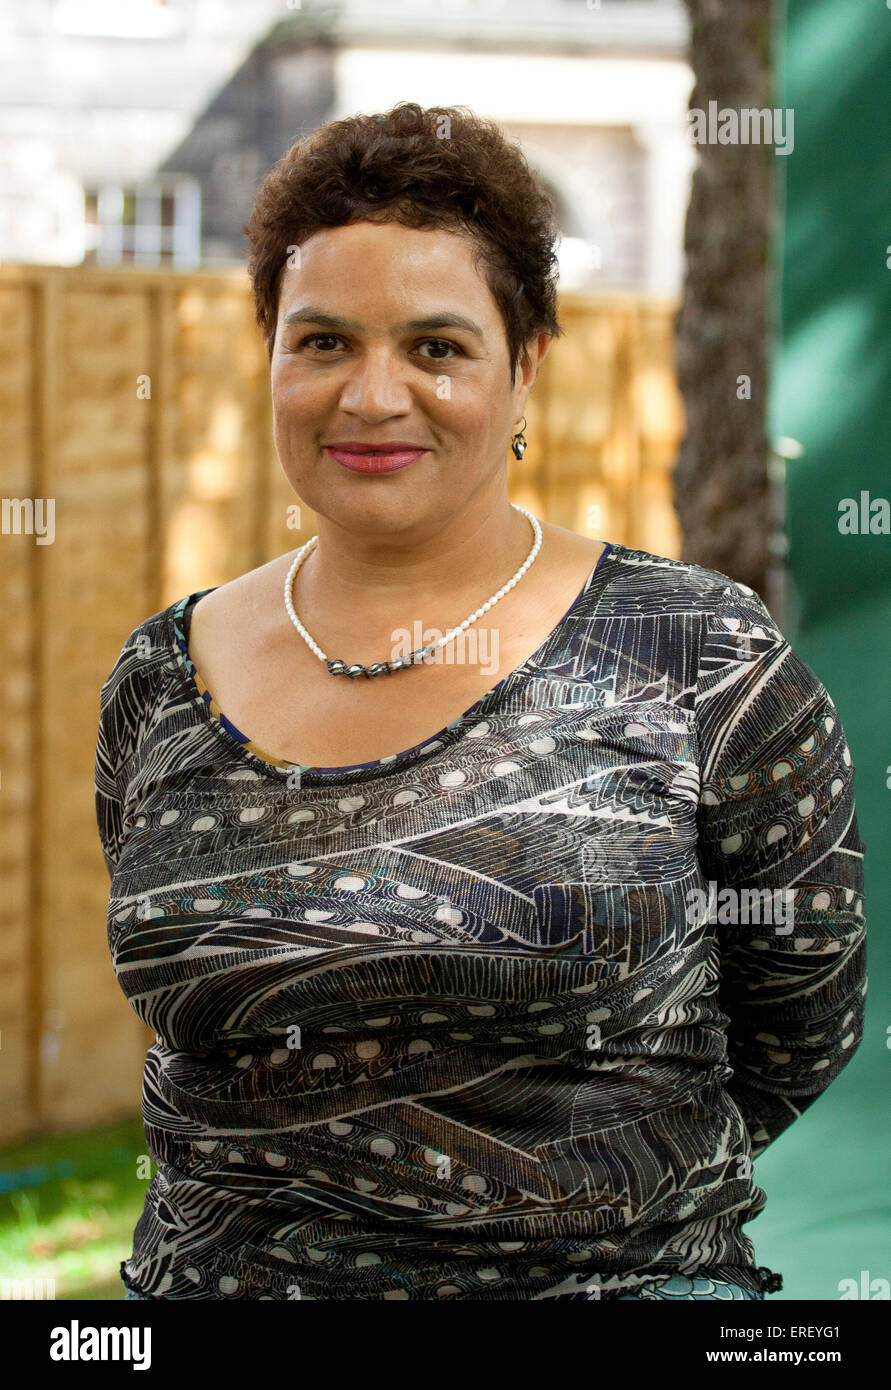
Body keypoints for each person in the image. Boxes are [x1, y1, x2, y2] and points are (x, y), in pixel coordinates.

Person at [97, 103, 866, 1302]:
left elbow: (799, 1020)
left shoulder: (701, 655)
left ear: (528, 367)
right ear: (270, 357)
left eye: (438, 347)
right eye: (324, 342)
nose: (372, 395)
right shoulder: (160, 676)